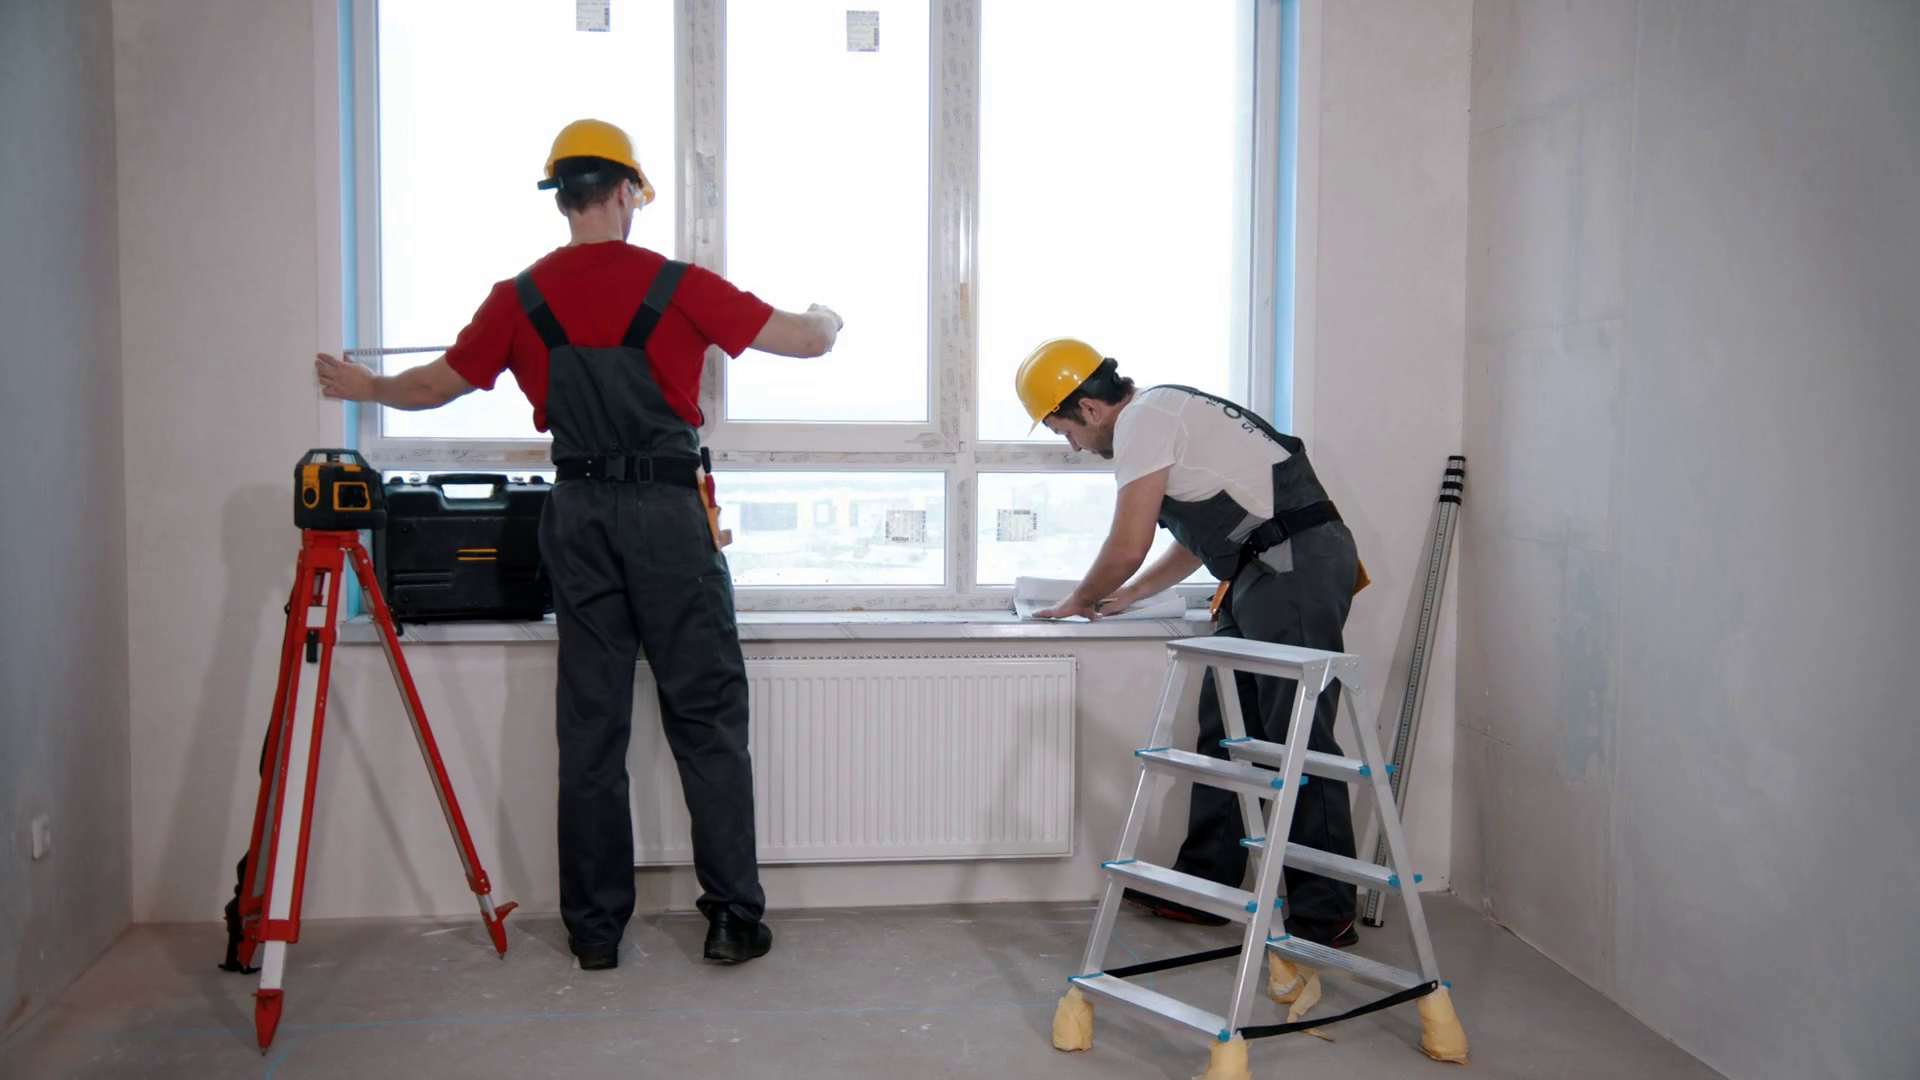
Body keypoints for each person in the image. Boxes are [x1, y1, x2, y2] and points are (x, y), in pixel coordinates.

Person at [314, 119, 843, 970]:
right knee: (705, 717)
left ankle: (596, 933)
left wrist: (364, 385)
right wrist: (826, 315)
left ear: (561, 197)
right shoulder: (677, 285)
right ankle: (731, 919)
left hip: (579, 513)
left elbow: (436, 384)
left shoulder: (519, 298)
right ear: (628, 192)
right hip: (668, 515)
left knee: (591, 726)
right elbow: (805, 338)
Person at [1015, 338, 1365, 949]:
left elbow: (1129, 542)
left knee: (1296, 737)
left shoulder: (1147, 419)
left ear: (1090, 410)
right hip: (1259, 571)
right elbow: (1202, 533)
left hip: (1294, 567)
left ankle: (1325, 908)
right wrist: (1130, 594)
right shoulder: (1164, 418)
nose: (1071, 446)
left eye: (1063, 430)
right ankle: (1207, 885)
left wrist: (1079, 599)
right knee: (1226, 729)